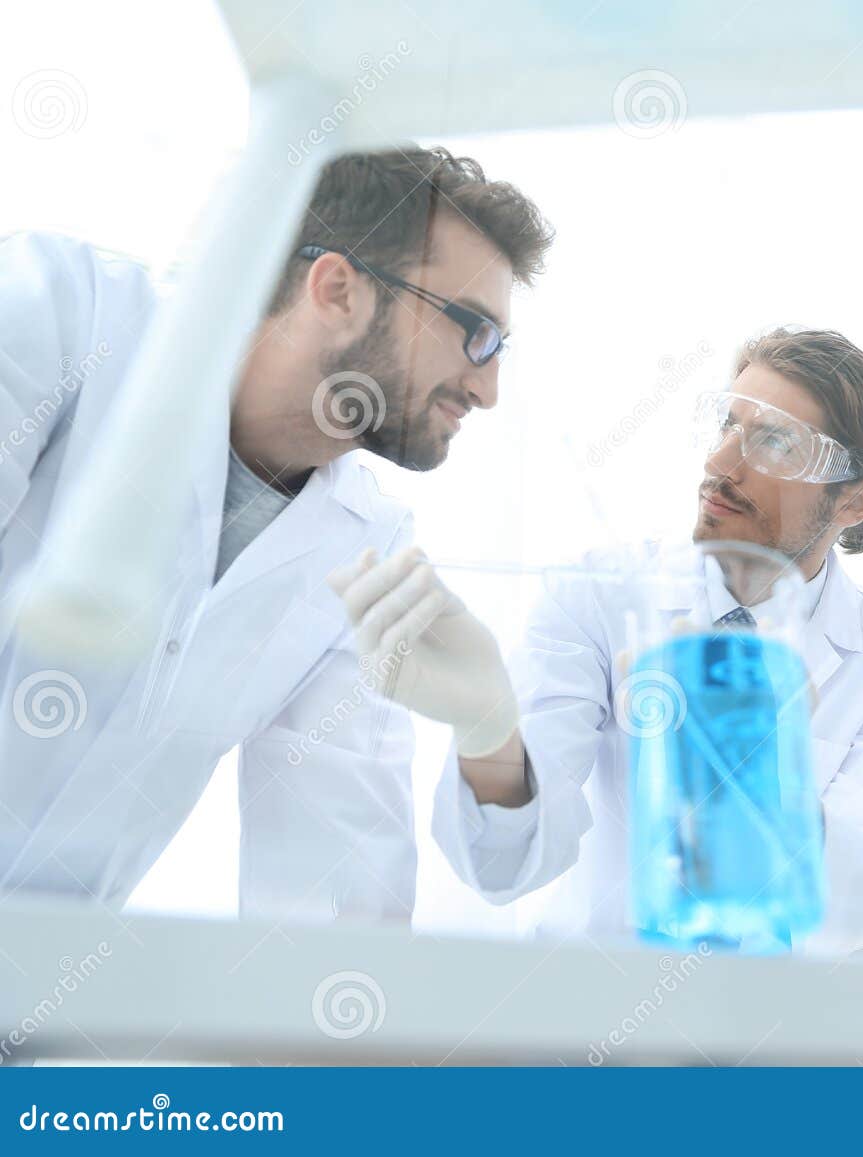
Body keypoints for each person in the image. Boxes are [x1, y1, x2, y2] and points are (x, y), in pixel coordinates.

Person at [0, 146, 552, 923]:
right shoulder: (63, 311)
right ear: (337, 290)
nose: (487, 388)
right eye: (476, 332)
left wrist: (488, 730)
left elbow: (331, 904)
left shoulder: (368, 551)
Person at [331, 328, 863, 954]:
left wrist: (756, 772)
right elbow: (502, 865)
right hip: (592, 1000)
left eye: (775, 443)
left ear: (857, 500)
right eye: (728, 427)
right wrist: (487, 729)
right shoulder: (602, 596)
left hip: (766, 1009)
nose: (720, 465)